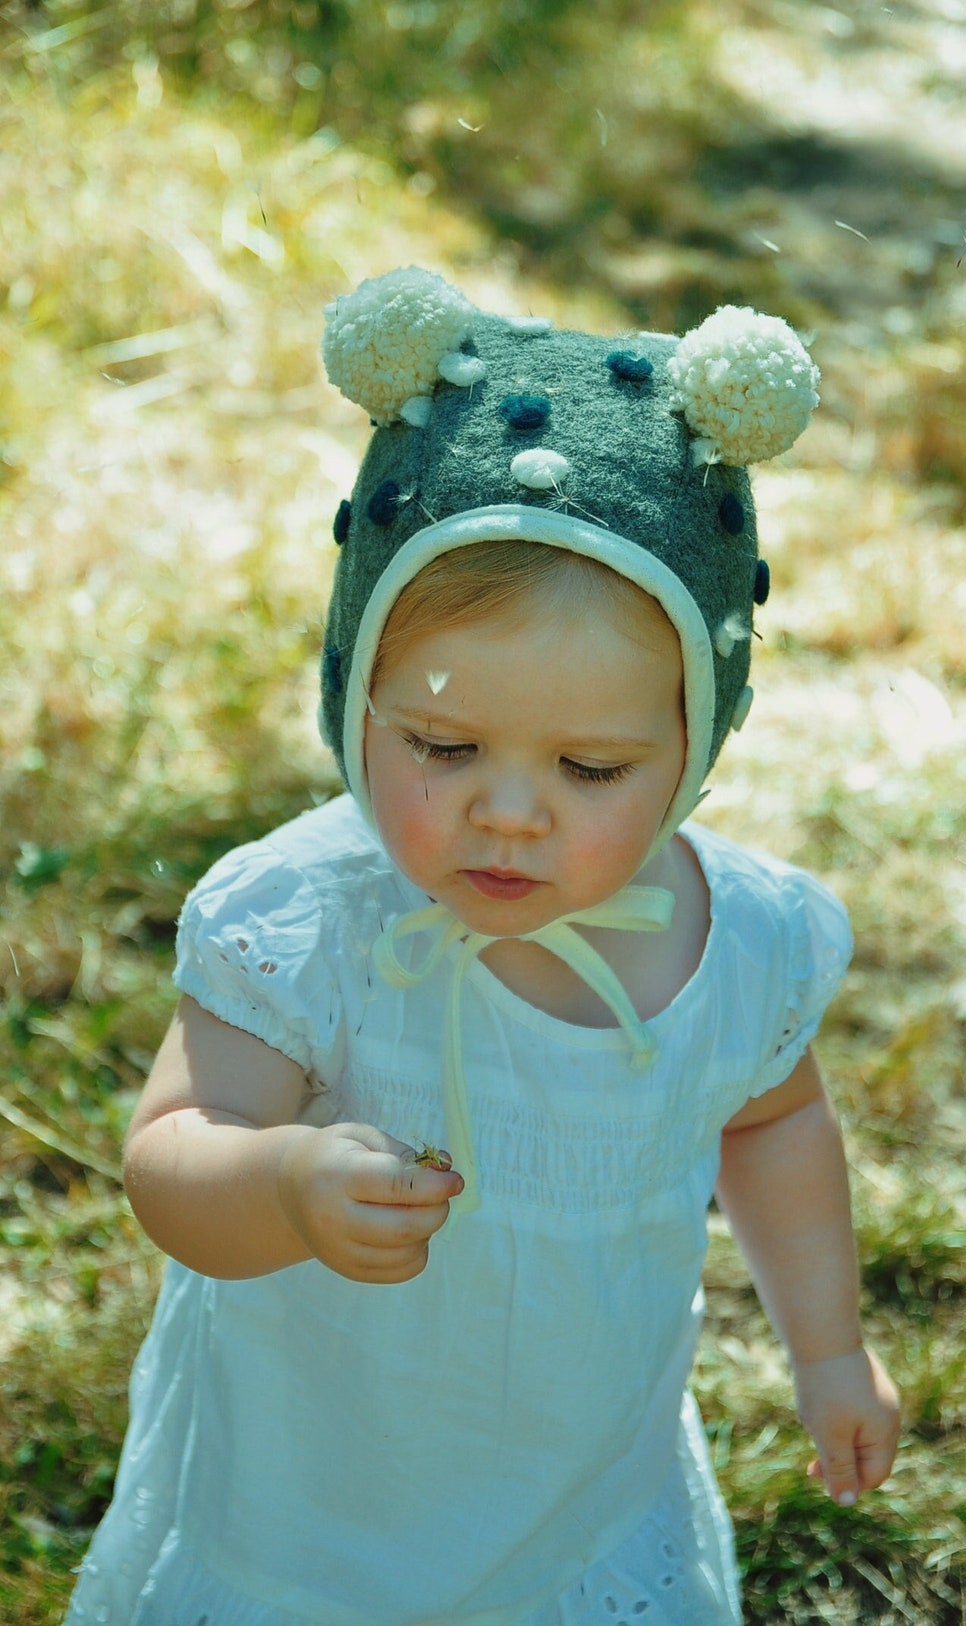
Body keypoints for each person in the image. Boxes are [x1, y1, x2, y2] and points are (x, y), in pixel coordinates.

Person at [66, 267, 900, 1626]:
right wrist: (280, 1182)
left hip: (582, 1488)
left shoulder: (737, 941)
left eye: (591, 766)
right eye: (442, 748)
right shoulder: (307, 921)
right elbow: (172, 1155)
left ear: (695, 742)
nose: (507, 809)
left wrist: (830, 1345)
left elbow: (775, 1126)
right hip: (311, 1506)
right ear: (356, 697)